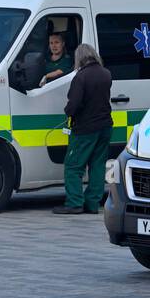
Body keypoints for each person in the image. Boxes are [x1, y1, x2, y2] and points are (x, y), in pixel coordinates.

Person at [54, 43, 112, 215]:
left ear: (79, 58)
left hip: (85, 128)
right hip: (105, 126)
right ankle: (92, 204)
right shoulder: (106, 73)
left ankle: (74, 203)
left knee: (73, 166)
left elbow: (74, 104)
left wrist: (67, 112)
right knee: (97, 166)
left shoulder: (81, 77)